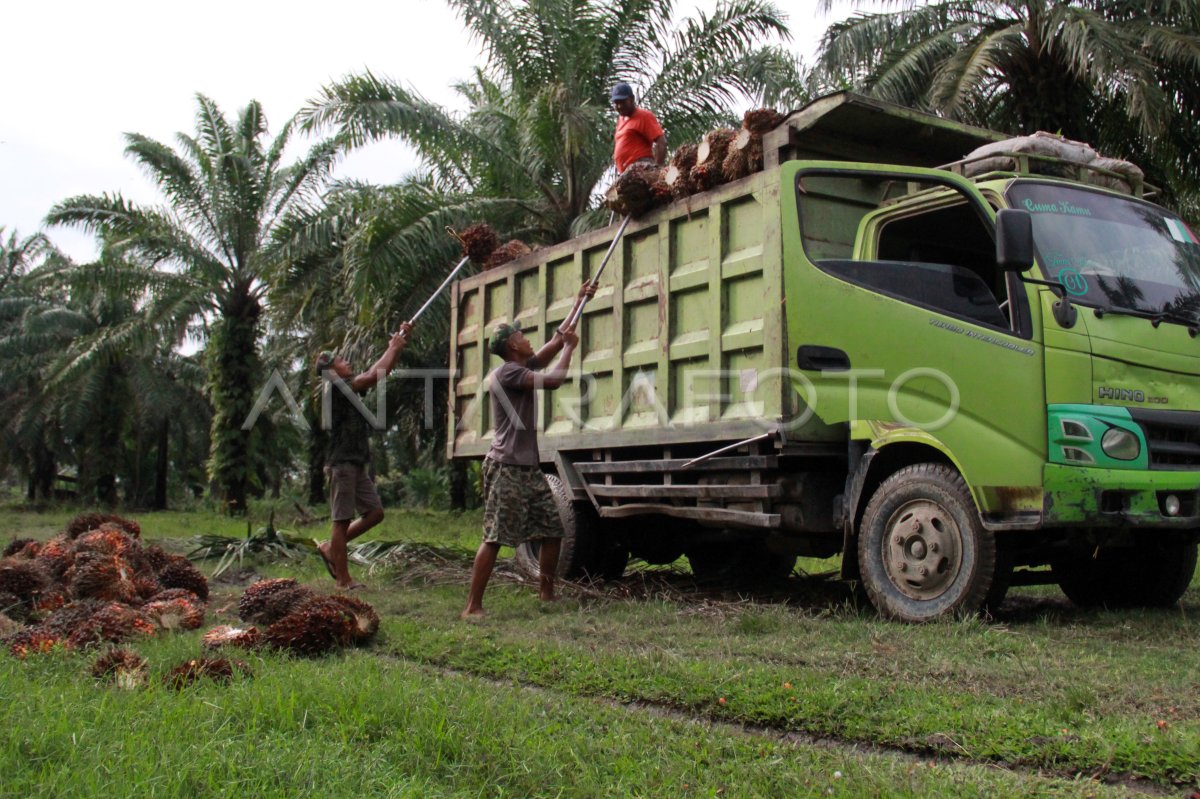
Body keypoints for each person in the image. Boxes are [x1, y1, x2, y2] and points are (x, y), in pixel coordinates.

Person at [461, 284, 595, 618]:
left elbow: (554, 341)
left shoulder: (520, 366)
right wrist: (570, 349)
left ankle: (546, 595)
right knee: (494, 537)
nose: (526, 336)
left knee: (552, 529)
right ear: (511, 345)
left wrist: (579, 300)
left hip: (527, 466)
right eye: (521, 334)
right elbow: (554, 379)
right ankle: (472, 606)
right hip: (507, 466)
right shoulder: (507, 372)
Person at [314, 322, 413, 589]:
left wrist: (399, 343)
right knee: (341, 519)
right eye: (342, 360)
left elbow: (379, 371)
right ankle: (343, 581)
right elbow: (373, 375)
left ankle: (330, 547)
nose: (347, 362)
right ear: (332, 369)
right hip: (342, 464)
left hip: (356, 462)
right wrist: (393, 346)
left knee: (375, 513)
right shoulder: (335, 387)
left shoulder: (344, 389)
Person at [611, 82, 666, 175]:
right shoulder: (621, 120)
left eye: (623, 102)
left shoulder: (644, 116)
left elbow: (661, 142)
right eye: (616, 103)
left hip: (641, 168)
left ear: (632, 99)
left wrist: (657, 170)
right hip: (625, 173)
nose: (619, 106)